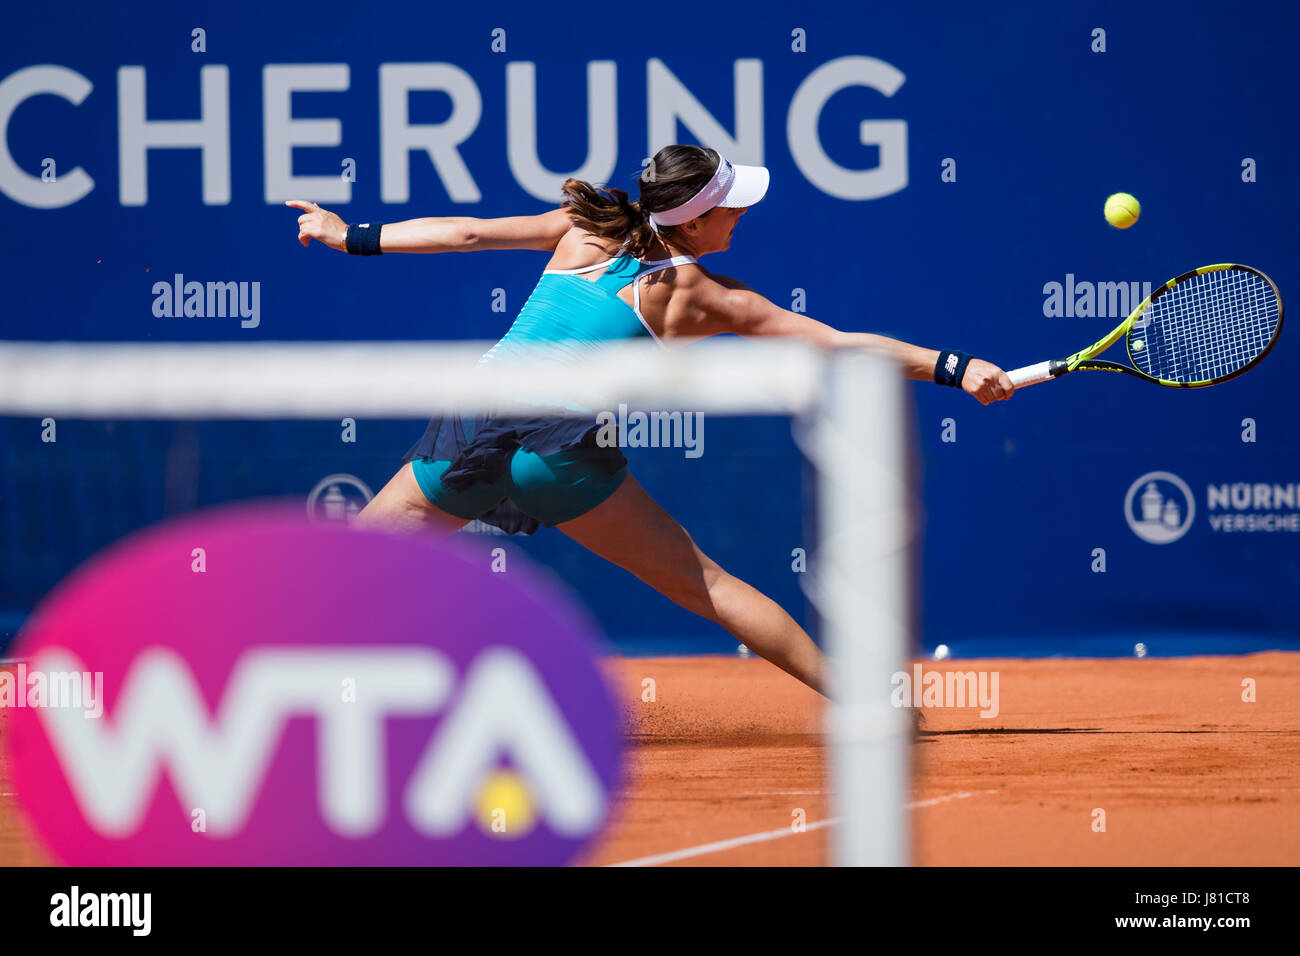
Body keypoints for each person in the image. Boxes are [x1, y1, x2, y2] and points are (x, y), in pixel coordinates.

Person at [287, 144, 1014, 697]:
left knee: (355, 571)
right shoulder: (702, 294)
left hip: (472, 424)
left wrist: (351, 234)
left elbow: (466, 235)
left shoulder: (582, 229)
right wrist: (952, 365)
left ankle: (242, 681)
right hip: (561, 451)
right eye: (732, 205)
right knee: (709, 586)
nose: (744, 215)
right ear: (694, 219)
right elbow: (837, 345)